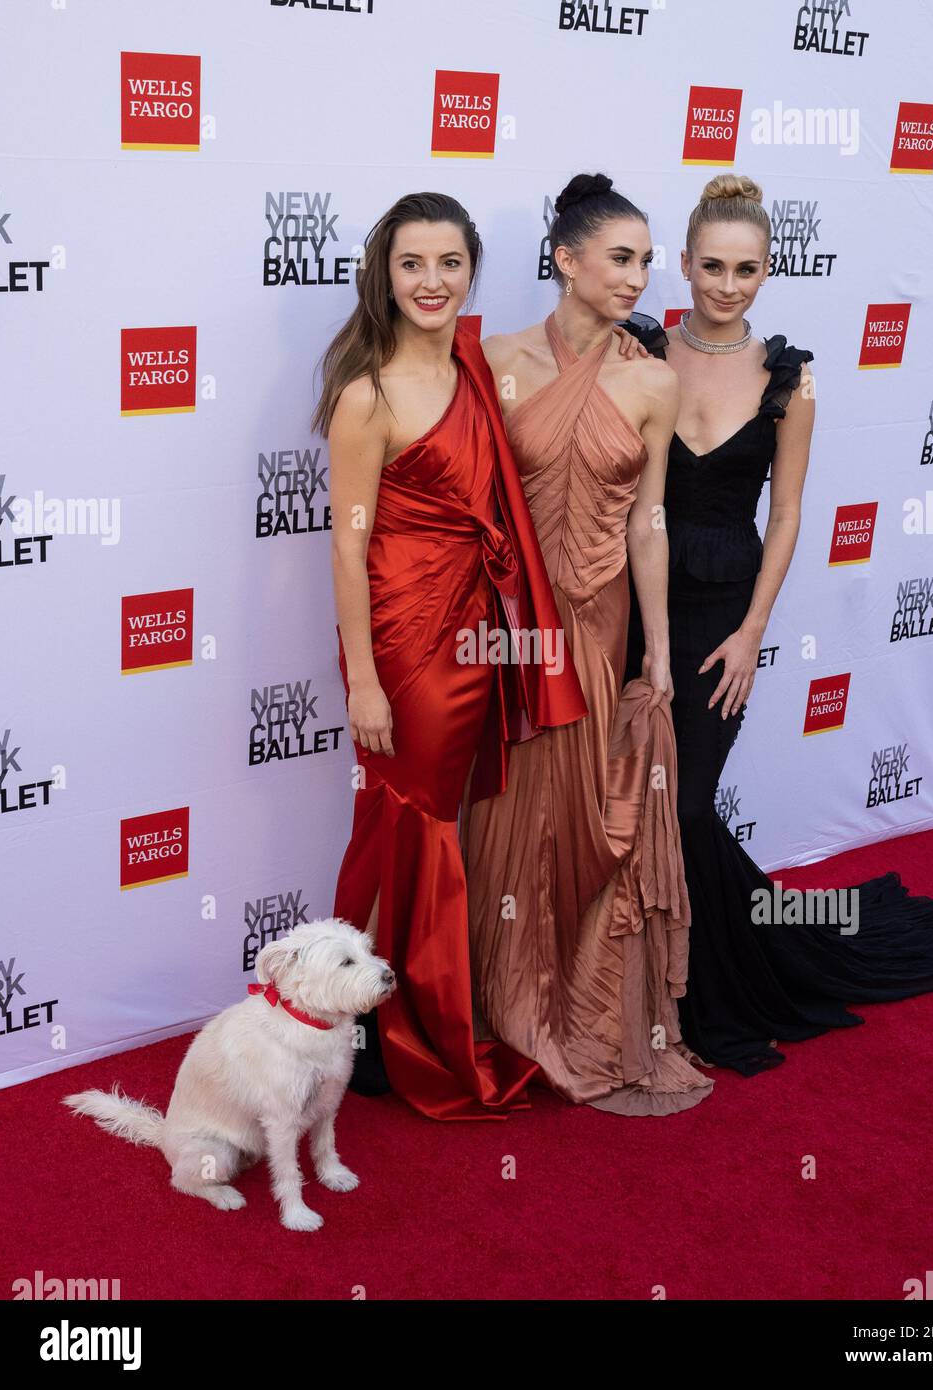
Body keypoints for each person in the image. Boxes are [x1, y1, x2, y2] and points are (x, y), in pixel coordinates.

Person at [619, 173, 933, 1076]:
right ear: (683, 265)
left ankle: (718, 983)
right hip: (632, 603)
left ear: (768, 271)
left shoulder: (791, 380)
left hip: (721, 611)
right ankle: (648, 979)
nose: (726, 285)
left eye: (745, 269)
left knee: (686, 799)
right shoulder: (639, 356)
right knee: (635, 802)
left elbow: (786, 515)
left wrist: (754, 630)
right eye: (710, 266)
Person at [311, 192, 588, 1120]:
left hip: (476, 630)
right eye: (411, 264)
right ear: (383, 278)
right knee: (413, 826)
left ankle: (357, 1023)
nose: (432, 282)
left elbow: (573, 350)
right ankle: (409, 1030)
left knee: (418, 829)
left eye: (448, 263)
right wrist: (362, 679)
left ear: (472, 270)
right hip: (404, 640)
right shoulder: (369, 395)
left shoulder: (478, 365)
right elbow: (348, 545)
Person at [460, 174, 715, 1116]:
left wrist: (656, 650)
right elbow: (471, 510)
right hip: (512, 629)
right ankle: (500, 1011)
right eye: (621, 257)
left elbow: (649, 520)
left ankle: (581, 1008)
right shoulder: (492, 359)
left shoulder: (653, 380)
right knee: (506, 818)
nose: (640, 277)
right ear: (564, 260)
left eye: (647, 260)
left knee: (586, 828)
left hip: (603, 629)